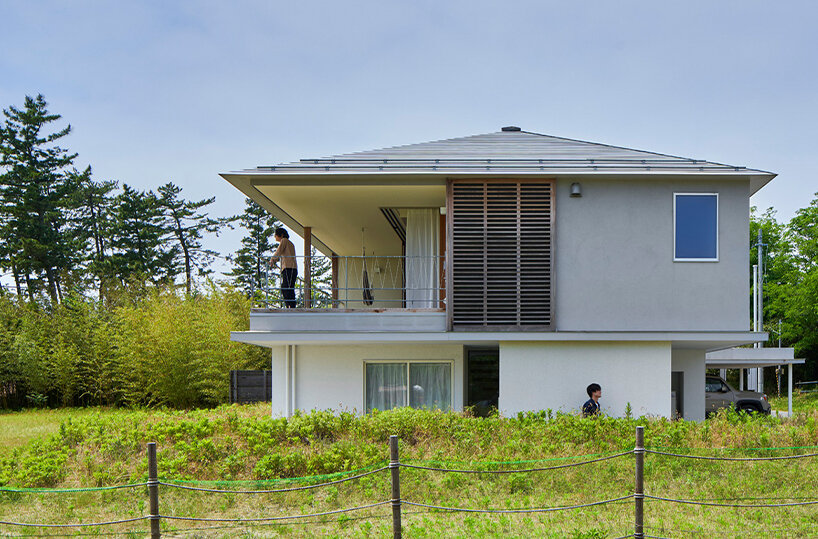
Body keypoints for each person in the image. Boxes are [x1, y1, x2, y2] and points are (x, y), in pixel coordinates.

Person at [269, 227, 298, 308]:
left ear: (281, 235)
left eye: (276, 235)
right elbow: (283, 253)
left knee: (285, 287)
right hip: (293, 268)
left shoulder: (284, 240)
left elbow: (279, 251)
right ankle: (291, 306)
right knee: (289, 287)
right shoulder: (290, 243)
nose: (275, 237)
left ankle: (289, 305)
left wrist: (272, 259)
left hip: (288, 268)